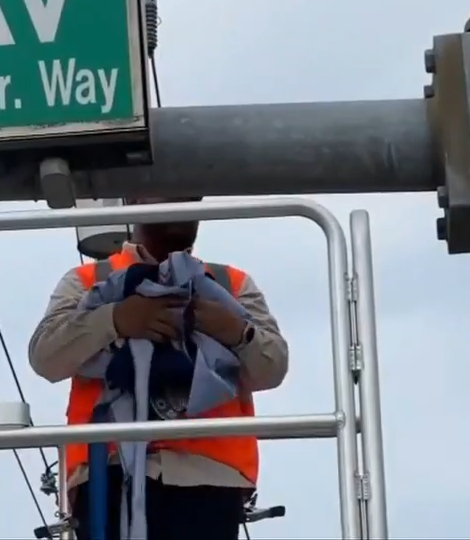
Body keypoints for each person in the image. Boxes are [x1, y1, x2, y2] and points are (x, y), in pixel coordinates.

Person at [27, 197, 289, 540]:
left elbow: (273, 369)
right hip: (106, 473)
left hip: (210, 479)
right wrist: (115, 319)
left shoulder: (232, 285)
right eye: (164, 190)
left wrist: (238, 333)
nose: (180, 200)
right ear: (134, 199)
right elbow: (45, 357)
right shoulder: (87, 281)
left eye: (189, 194)